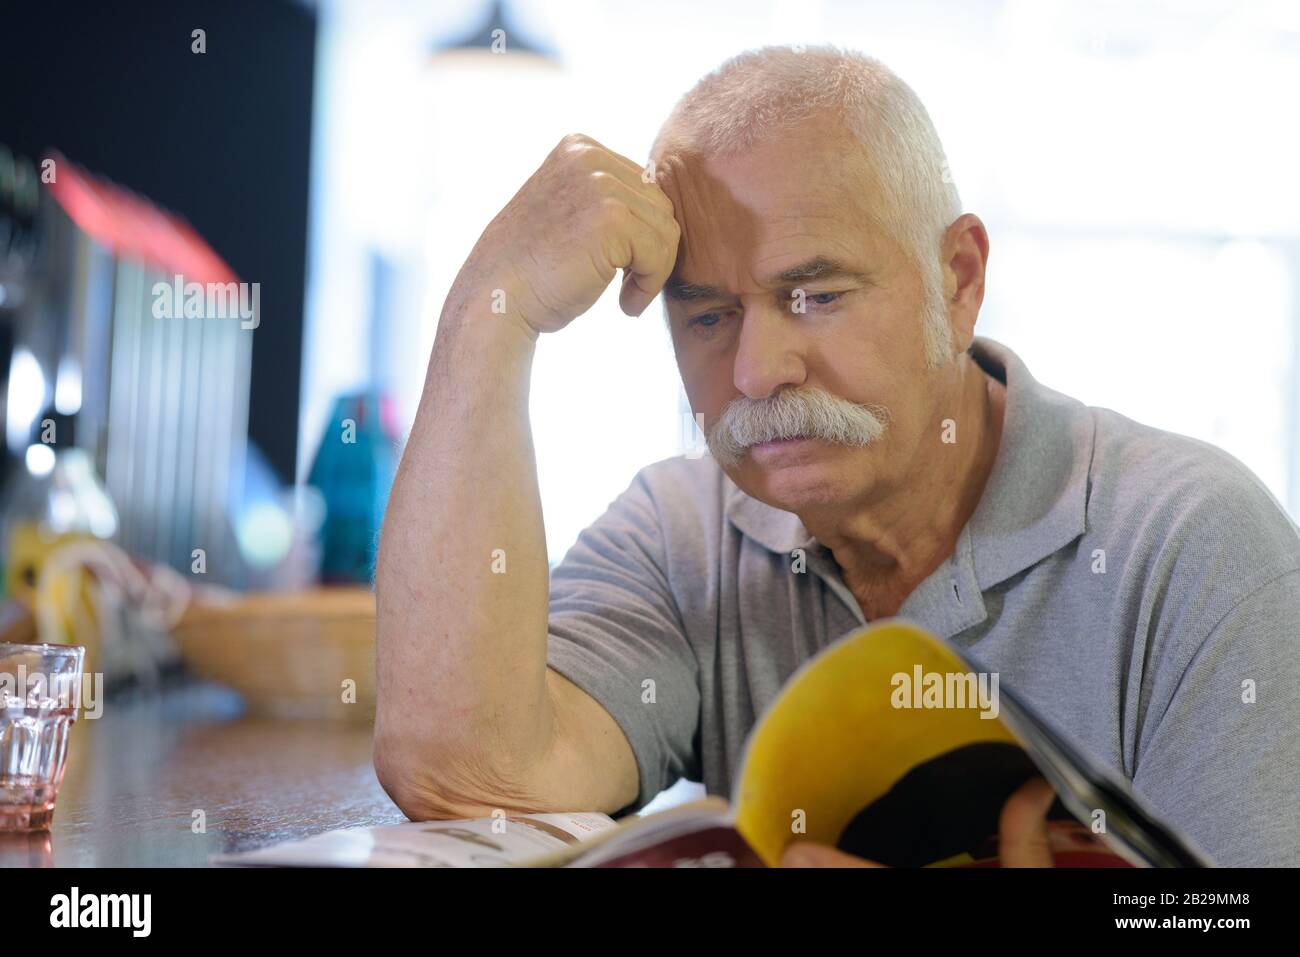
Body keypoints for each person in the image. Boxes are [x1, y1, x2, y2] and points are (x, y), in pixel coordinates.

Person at [373, 46, 1300, 867]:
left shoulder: (1195, 544)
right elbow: (468, 779)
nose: (756, 371)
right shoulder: (679, 535)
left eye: (814, 294)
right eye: (707, 315)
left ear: (960, 280)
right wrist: (493, 311)